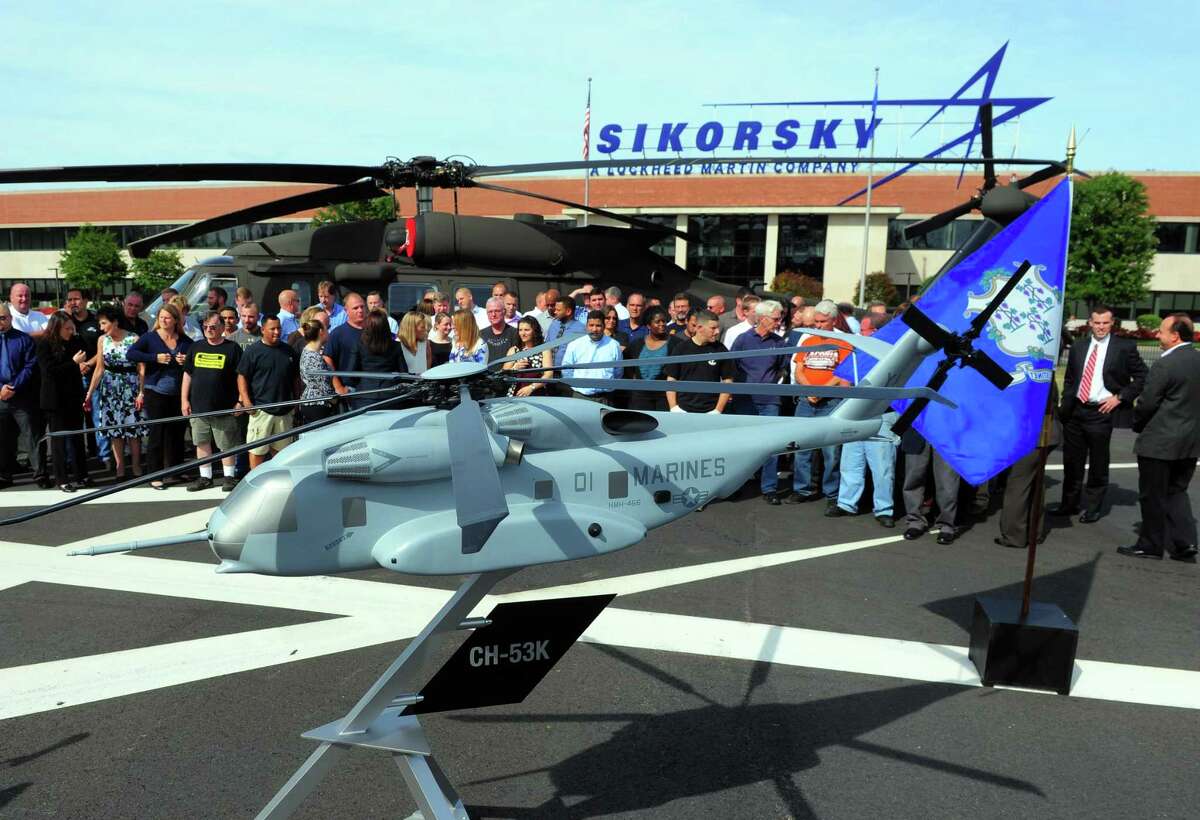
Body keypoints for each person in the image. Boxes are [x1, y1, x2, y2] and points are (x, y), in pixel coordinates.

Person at [1050, 305, 1147, 523]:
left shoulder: (1124, 347)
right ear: (1090, 323)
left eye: (1105, 323)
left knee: (1098, 463)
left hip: (1101, 412)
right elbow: (1071, 378)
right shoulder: (1079, 346)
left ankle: (1093, 507)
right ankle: (1069, 504)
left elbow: (1142, 376)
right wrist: (1068, 398)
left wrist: (1119, 397)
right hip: (1076, 410)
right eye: (1097, 322)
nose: (1101, 327)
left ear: (1112, 323)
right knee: (1072, 462)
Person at [1119, 314, 1199, 562]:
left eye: (1162, 331)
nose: (1157, 335)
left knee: (1152, 495)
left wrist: (1137, 423)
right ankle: (1185, 542)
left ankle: (1151, 545)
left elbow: (1147, 402)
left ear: (1175, 336)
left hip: (1160, 442)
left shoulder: (1165, 364)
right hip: (1190, 441)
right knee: (1176, 492)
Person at [787, 300, 852, 509]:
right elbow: (799, 370)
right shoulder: (808, 341)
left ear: (833, 320)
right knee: (801, 446)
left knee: (831, 449)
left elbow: (843, 374)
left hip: (831, 401)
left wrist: (822, 391)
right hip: (807, 400)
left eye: (822, 321)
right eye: (816, 321)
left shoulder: (843, 343)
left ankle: (831, 491)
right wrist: (810, 390)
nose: (818, 325)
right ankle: (802, 488)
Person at [730, 300, 791, 503]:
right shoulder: (742, 340)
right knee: (741, 444)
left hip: (769, 400)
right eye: (775, 318)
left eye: (780, 317)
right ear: (762, 318)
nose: (779, 321)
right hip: (745, 400)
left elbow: (783, 368)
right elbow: (733, 366)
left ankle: (769, 488)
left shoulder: (779, 342)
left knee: (771, 445)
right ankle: (735, 484)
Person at [128, 303, 192, 489]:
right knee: (157, 433)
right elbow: (131, 353)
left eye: (167, 318)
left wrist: (186, 360)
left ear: (175, 321)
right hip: (155, 391)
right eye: (161, 317)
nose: (164, 321)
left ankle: (174, 471)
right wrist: (154, 358)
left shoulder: (184, 340)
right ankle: (155, 474)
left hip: (177, 393)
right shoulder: (150, 338)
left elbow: (195, 355)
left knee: (176, 433)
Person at [181, 311, 243, 491]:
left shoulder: (232, 348)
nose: (209, 330)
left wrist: (240, 400)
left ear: (222, 328)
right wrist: (184, 399)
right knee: (201, 442)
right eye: (206, 327)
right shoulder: (195, 347)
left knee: (226, 444)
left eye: (213, 327)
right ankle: (205, 477)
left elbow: (241, 376)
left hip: (224, 407)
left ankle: (229, 477)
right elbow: (187, 374)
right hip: (199, 407)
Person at [996, 382, 1061, 548]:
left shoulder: (1027, 375)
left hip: (1030, 433)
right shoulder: (1044, 371)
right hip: (1046, 430)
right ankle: (1034, 532)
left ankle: (1014, 535)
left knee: (1018, 484)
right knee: (1035, 483)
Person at [83, 305, 143, 480]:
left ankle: (137, 466)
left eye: (104, 323)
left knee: (133, 430)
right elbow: (99, 368)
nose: (101, 328)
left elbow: (141, 368)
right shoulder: (102, 340)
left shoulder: (133, 338)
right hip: (110, 388)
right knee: (115, 431)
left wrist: (141, 392)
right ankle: (120, 468)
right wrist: (89, 392)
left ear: (115, 322)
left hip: (130, 386)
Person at [37, 311, 90, 492]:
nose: (70, 331)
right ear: (57, 327)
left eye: (72, 328)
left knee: (77, 439)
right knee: (59, 442)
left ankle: (82, 474)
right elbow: (50, 371)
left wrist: (83, 364)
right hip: (55, 400)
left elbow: (87, 355)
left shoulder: (75, 341)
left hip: (74, 397)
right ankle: (61, 478)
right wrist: (74, 363)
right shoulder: (45, 345)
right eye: (67, 328)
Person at [237, 316, 300, 469]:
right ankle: (255, 482)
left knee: (282, 453)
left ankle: (279, 482)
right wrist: (246, 401)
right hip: (261, 410)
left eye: (279, 328)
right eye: (272, 329)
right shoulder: (253, 351)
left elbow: (295, 379)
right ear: (263, 329)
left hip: (285, 410)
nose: (277, 332)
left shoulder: (288, 351)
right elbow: (242, 376)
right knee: (257, 451)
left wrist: (296, 403)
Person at [0, 302, 41, 488]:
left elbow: (30, 366)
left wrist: (13, 386)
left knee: (31, 436)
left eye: (3, 317)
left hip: (21, 395)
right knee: (3, 439)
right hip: (0, 397)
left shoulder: (23, 339)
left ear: (10, 318)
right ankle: (4, 475)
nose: (0, 321)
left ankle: (39, 473)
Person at [664, 310, 734, 414]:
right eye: (713, 328)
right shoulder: (681, 348)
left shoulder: (720, 349)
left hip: (711, 411)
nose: (717, 331)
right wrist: (674, 407)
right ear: (699, 328)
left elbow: (728, 381)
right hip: (683, 410)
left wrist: (717, 410)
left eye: (717, 328)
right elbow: (671, 379)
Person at [900, 431, 961, 544]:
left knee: (947, 483)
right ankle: (915, 521)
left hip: (947, 433)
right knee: (913, 479)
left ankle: (947, 524)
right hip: (918, 430)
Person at [622, 306, 681, 411]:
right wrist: (634, 381)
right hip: (640, 398)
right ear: (648, 325)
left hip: (664, 399)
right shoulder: (637, 343)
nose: (662, 324)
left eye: (664, 321)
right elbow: (626, 363)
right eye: (657, 322)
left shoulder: (676, 343)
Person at [560, 311, 622, 404]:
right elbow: (566, 370)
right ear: (586, 326)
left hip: (605, 398)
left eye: (598, 325)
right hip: (580, 397)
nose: (594, 329)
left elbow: (618, 372)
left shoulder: (614, 345)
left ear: (604, 326)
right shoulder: (575, 345)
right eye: (591, 325)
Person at [349, 310, 408, 406]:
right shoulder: (396, 346)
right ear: (386, 326)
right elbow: (403, 373)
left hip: (365, 395)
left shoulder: (359, 345)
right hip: (390, 395)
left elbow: (351, 374)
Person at [324, 292, 367, 405]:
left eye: (362, 306)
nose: (360, 310)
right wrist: (338, 386)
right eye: (355, 308)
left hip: (372, 388)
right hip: (350, 390)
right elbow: (327, 359)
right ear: (346, 310)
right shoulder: (338, 333)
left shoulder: (373, 331)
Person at [502, 317, 553, 397]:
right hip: (516, 395)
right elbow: (503, 375)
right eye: (520, 330)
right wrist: (514, 368)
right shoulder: (513, 350)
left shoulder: (544, 350)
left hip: (537, 395)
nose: (523, 333)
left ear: (534, 331)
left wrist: (531, 387)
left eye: (526, 330)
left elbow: (549, 375)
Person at [298, 318, 336, 424]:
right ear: (321, 332)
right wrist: (335, 399)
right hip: (317, 405)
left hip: (313, 404)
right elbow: (323, 385)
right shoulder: (313, 356)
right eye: (327, 328)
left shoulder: (309, 351)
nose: (328, 331)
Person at [545, 297, 586, 367]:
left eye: (558, 310)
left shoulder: (581, 330)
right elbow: (546, 347)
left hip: (568, 372)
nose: (555, 312)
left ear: (568, 312)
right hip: (549, 372)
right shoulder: (554, 324)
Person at [480, 297, 520, 363]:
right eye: (490, 312)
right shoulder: (480, 334)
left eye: (497, 311)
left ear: (504, 311)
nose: (493, 315)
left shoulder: (515, 333)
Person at [397, 311, 432, 375]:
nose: (426, 329)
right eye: (422, 327)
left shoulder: (426, 344)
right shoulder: (397, 344)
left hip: (422, 383)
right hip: (403, 383)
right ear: (412, 328)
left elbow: (427, 370)